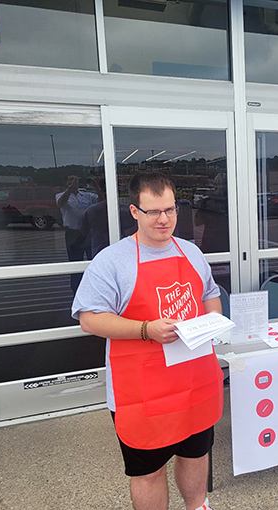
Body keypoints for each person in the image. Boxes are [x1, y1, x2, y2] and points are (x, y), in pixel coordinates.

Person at [71, 171, 223, 510]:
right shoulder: (111, 261)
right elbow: (89, 319)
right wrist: (146, 330)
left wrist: (211, 321)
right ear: (135, 211)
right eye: (153, 211)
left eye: (170, 210)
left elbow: (210, 294)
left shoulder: (191, 252)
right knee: (149, 471)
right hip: (142, 391)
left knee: (196, 454)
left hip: (195, 379)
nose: (164, 219)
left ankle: (198, 506)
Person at [56, 175, 102, 292]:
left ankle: (95, 290)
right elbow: (61, 203)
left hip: (88, 232)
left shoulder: (86, 195)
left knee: (94, 262)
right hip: (72, 232)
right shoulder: (61, 195)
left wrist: (96, 186)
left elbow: (101, 201)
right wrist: (70, 189)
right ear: (65, 182)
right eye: (70, 179)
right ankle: (76, 292)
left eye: (76, 179)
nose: (74, 182)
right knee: (75, 265)